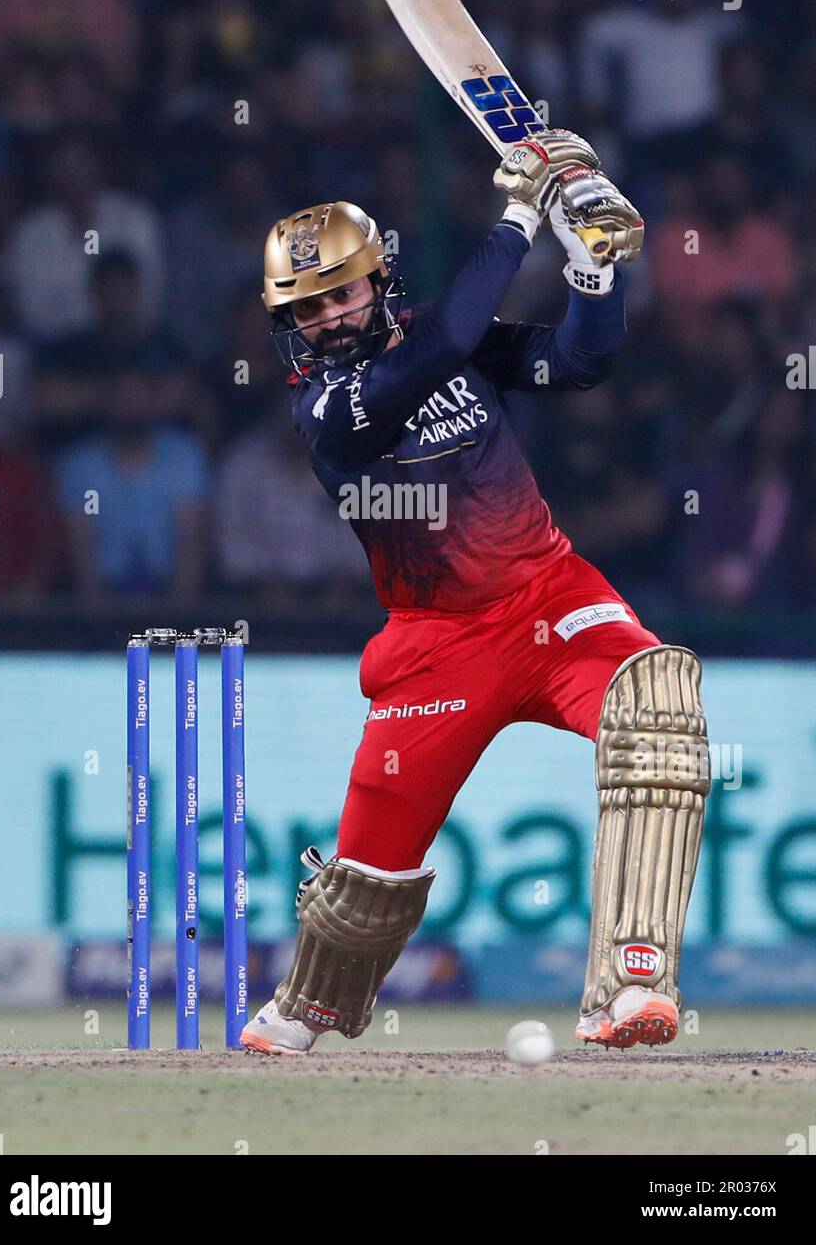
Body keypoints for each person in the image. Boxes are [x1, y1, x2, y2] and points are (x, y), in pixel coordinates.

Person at [241, 130, 711, 1056]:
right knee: (368, 873)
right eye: (308, 308)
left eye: (343, 293)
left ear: (380, 281)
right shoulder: (328, 411)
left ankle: (630, 986)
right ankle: (314, 1001)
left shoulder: (439, 339)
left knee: (658, 705)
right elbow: (444, 343)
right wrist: (520, 214)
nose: (330, 318)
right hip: (438, 640)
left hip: (552, 596)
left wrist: (591, 270)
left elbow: (578, 364)